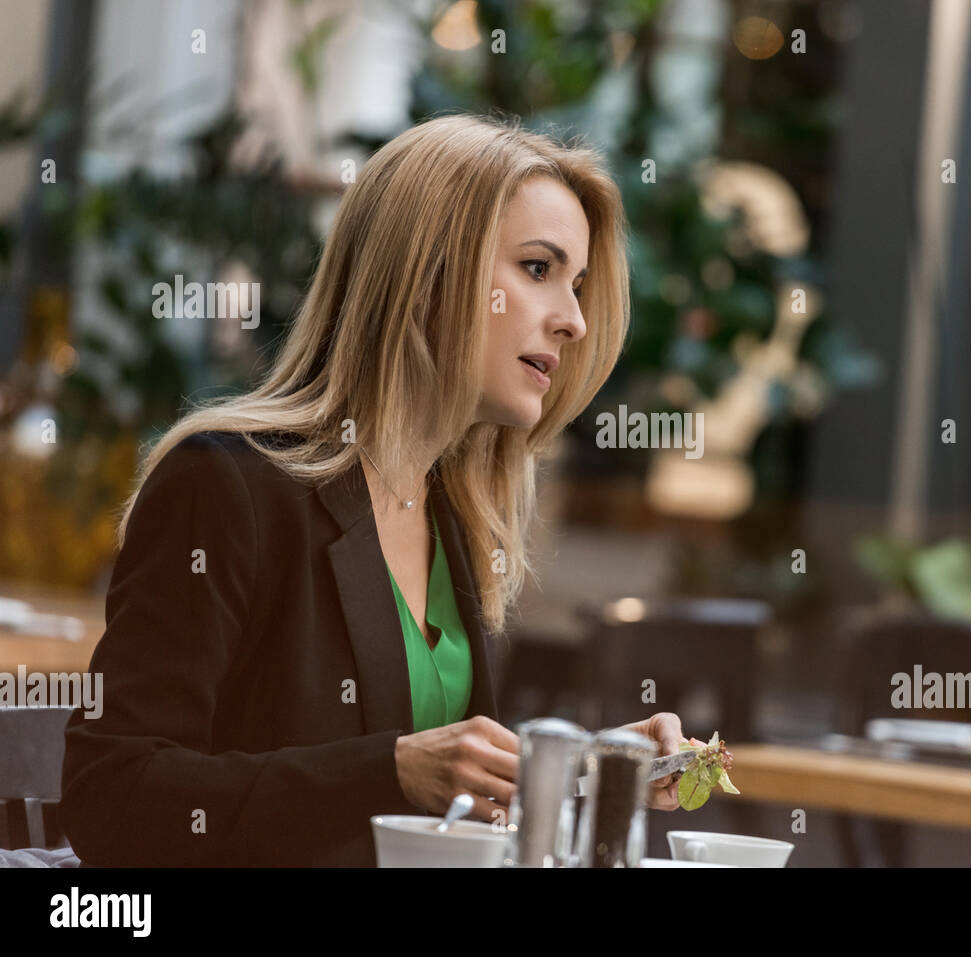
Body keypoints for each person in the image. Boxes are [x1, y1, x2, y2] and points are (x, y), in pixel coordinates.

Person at [61, 113, 689, 866]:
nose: (575, 321)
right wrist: (384, 773)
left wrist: (585, 763)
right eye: (536, 269)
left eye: (578, 284)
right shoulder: (227, 483)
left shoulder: (455, 515)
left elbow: (436, 778)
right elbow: (113, 799)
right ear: (428, 271)